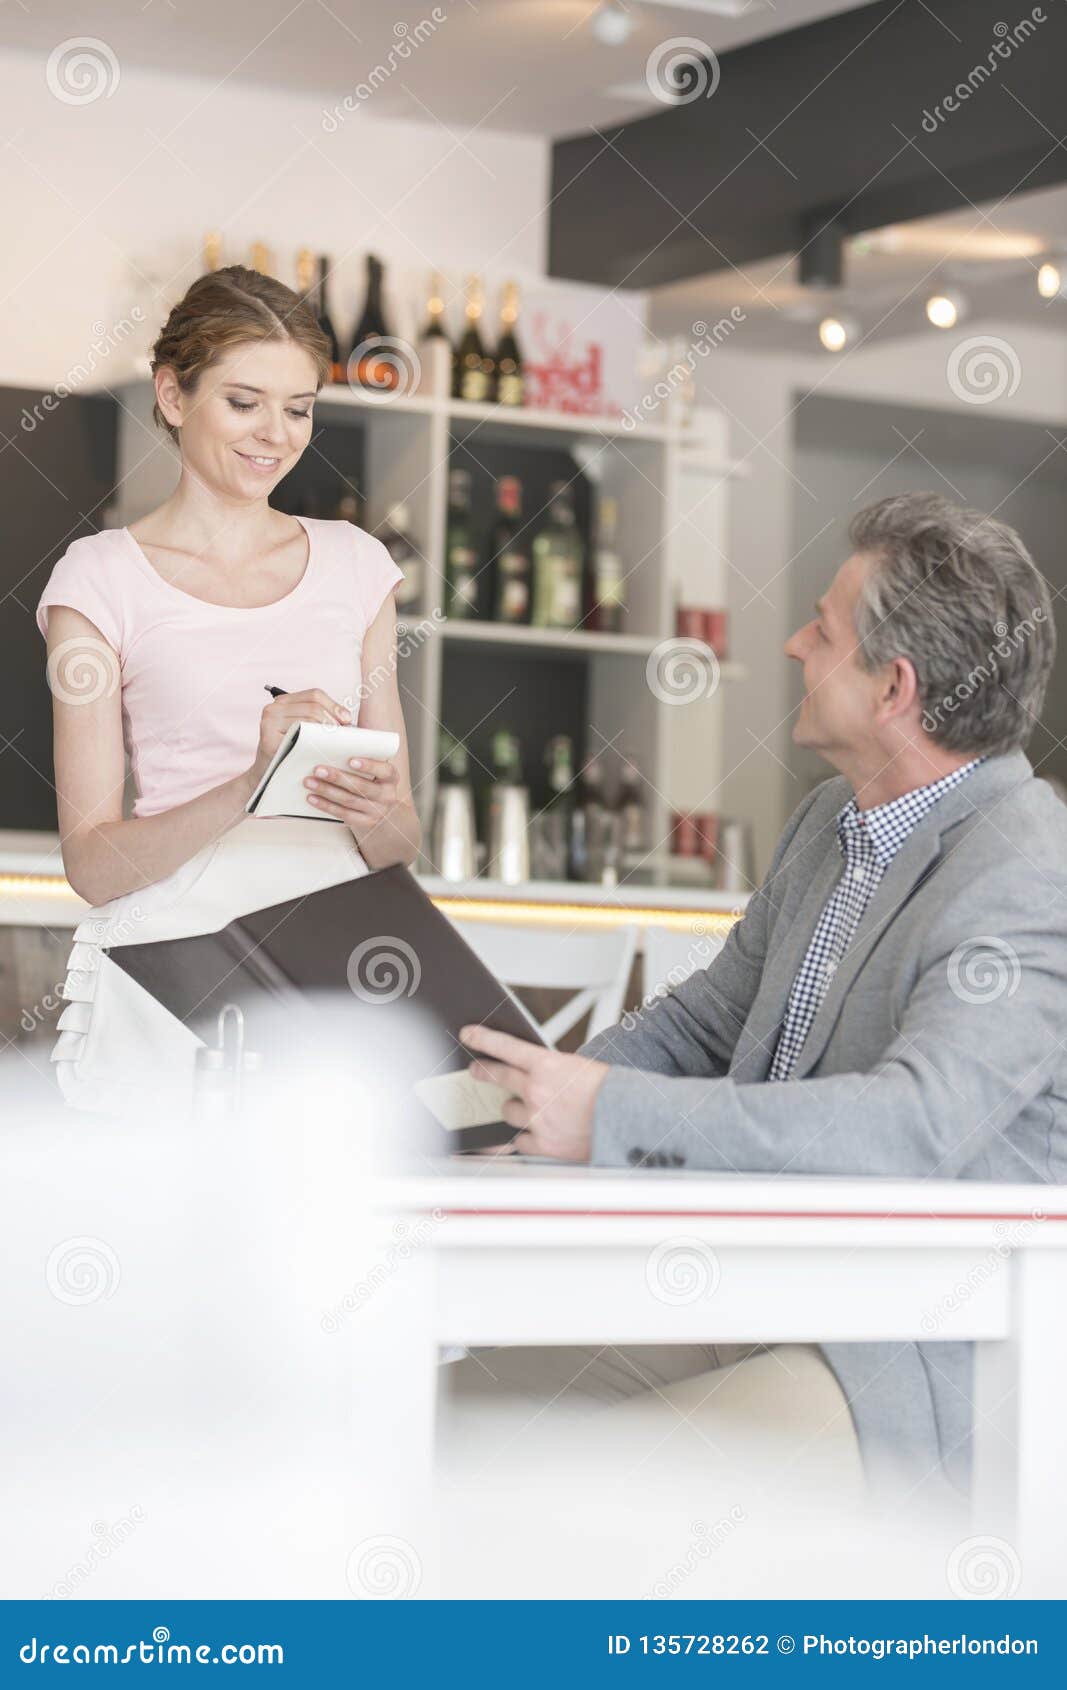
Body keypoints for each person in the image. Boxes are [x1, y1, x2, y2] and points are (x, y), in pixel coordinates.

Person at [455, 492, 1066, 1496]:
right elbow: (704, 1020)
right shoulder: (833, 819)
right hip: (748, 1296)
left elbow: (911, 1127)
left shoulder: (1025, 865)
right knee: (443, 1402)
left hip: (913, 1354)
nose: (789, 644)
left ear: (890, 689)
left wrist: (606, 1116)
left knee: (573, 1493)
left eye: (820, 631)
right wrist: (514, 1100)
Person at [36, 265, 419, 1105]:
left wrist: (376, 807)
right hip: (168, 969)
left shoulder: (357, 567)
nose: (274, 435)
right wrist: (252, 784)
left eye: (298, 408)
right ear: (174, 396)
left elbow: (398, 844)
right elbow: (94, 867)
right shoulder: (100, 581)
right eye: (243, 402)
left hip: (330, 978)